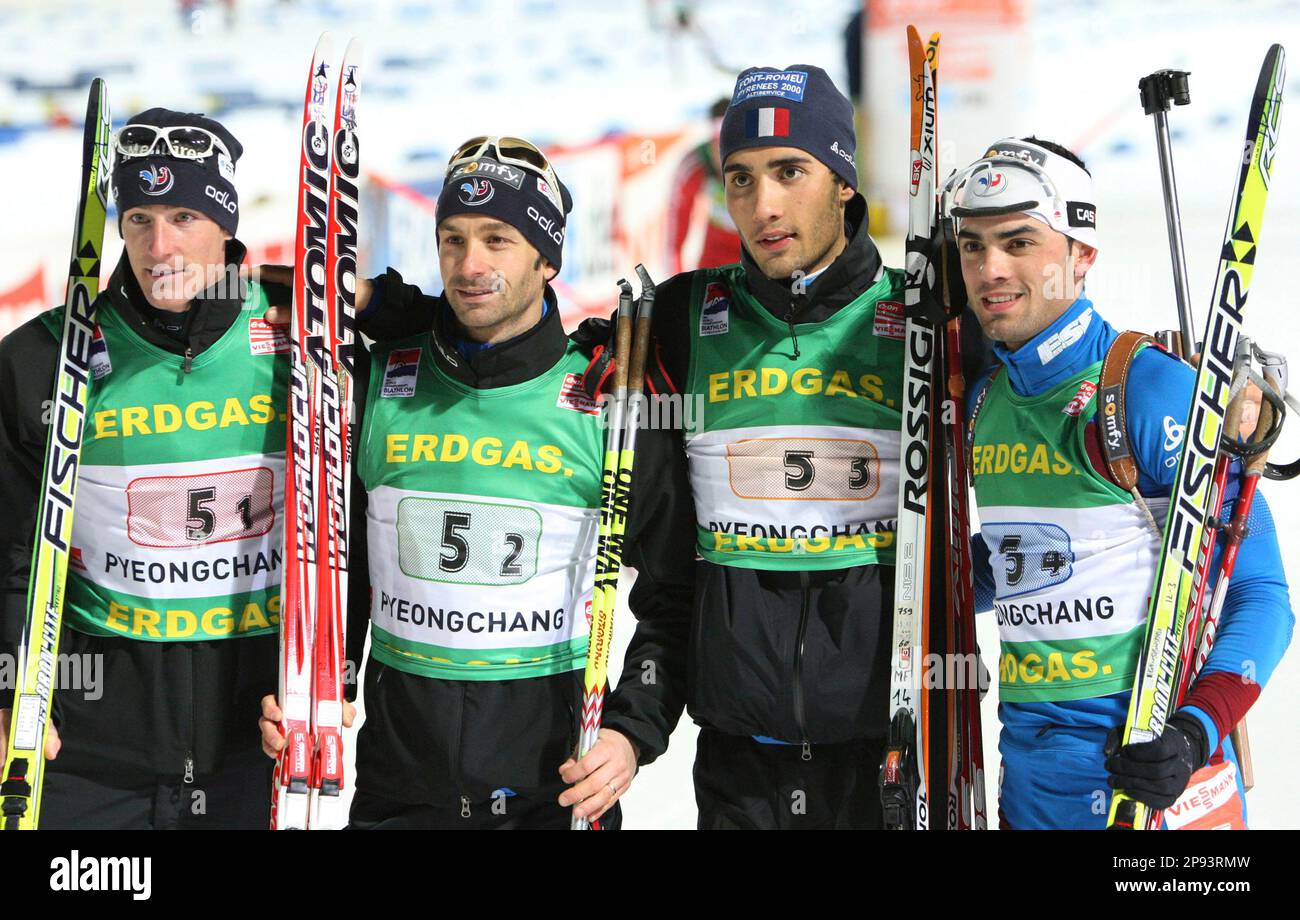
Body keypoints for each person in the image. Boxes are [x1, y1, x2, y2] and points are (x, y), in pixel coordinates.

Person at [556, 64, 987, 829]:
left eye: (791, 171)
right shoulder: (683, 321)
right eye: (742, 179)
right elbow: (526, 364)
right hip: (738, 768)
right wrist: (401, 329)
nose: (764, 204)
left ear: (845, 181)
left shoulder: (924, 322)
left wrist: (1230, 406)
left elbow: (1060, 395)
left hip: (889, 757)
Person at [258, 136, 638, 829]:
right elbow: (346, 568)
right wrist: (321, 682)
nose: (471, 265)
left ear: (548, 258)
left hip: (554, 794)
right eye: (453, 239)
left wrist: (633, 733)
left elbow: (677, 592)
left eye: (499, 240)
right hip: (401, 792)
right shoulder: (382, 381)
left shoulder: (602, 392)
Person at [948, 136, 1294, 829]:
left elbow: (1262, 593)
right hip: (1031, 790)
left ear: (1081, 255)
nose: (990, 268)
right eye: (973, 245)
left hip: (1157, 787)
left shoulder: (1148, 387)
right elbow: (1026, 565)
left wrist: (1196, 731)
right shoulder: (987, 403)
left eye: (1018, 243)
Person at [0, 109, 291, 828]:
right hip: (86, 757)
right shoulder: (40, 361)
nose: (159, 246)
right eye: (138, 219)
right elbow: (10, 548)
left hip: (250, 750)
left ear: (225, 222)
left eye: (185, 215)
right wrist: (9, 692)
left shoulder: (298, 338)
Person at [665, 97, 741, 273]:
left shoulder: (761, 158)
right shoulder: (695, 165)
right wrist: (676, 285)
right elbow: (674, 242)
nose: (721, 156)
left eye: (730, 148)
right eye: (716, 146)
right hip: (717, 257)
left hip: (756, 256)